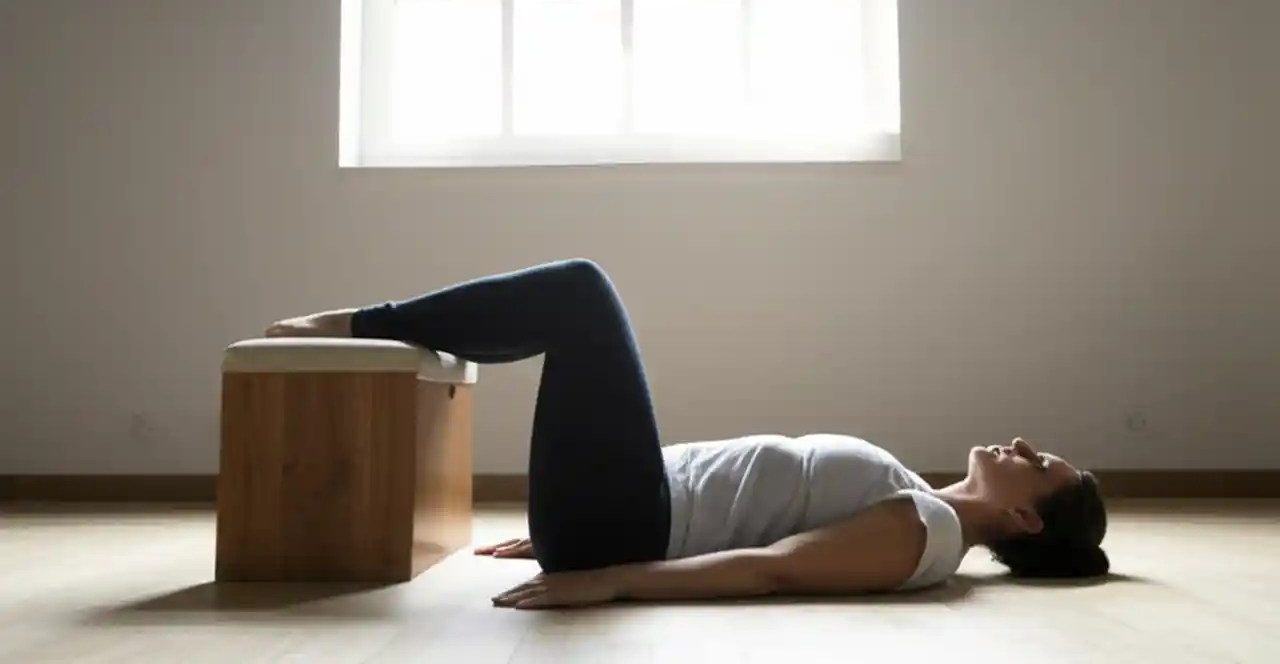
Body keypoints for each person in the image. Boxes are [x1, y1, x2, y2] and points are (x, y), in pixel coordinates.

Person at [266, 258, 1109, 609]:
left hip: (625, 523)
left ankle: (362, 324)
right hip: (617, 509)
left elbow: (776, 568)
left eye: (1038, 465)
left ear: (1027, 518)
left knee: (581, 293)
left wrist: (606, 578)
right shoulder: (920, 503)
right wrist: (570, 521)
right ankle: (379, 326)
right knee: (579, 298)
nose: (1021, 445)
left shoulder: (927, 534)